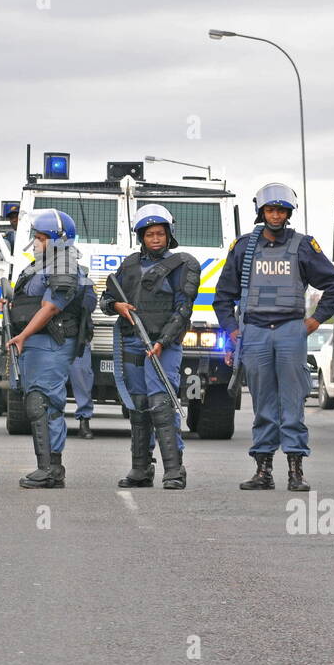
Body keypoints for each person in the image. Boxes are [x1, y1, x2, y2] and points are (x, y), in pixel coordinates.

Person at [214, 182, 334, 491]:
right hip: (255, 332)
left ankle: (296, 471)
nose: (276, 215)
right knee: (263, 404)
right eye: (270, 210)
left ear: (288, 213)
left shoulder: (302, 246)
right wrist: (233, 332)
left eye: (281, 210)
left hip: (289, 330)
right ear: (261, 212)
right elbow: (223, 297)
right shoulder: (243, 247)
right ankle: (263, 470)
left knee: (293, 401)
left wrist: (314, 321)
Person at [103, 204, 200, 490]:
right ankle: (141, 468)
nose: (155, 239)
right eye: (149, 234)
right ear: (141, 237)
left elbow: (184, 310)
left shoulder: (184, 264)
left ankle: (174, 470)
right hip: (133, 341)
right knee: (139, 406)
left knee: (162, 404)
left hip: (164, 345)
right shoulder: (130, 264)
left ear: (169, 235)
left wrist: (162, 342)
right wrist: (117, 306)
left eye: (160, 233)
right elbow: (106, 299)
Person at [6, 210, 96, 489]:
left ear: (58, 240)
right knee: (37, 402)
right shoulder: (41, 264)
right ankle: (46, 467)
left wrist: (23, 334)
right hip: (37, 344)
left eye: (42, 237)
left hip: (50, 342)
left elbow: (52, 306)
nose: (35, 242)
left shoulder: (64, 265)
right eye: (36, 236)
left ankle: (51, 469)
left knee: (44, 403)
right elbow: (31, 301)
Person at [69, 335, 96, 439]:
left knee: (82, 373)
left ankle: (84, 420)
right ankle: (48, 420)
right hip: (52, 336)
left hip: (78, 335)